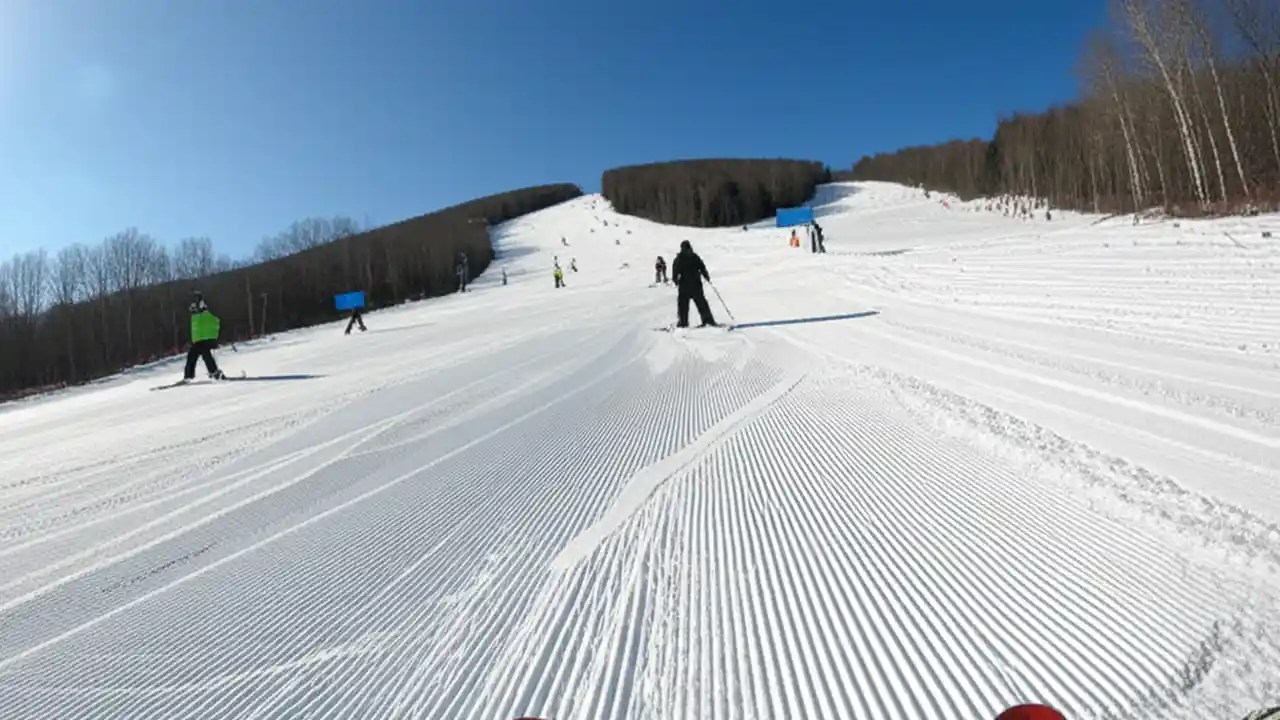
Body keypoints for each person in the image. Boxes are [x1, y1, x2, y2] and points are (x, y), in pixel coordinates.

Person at [671, 240, 717, 328]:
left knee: (684, 305)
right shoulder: (693, 256)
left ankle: (683, 322)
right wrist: (706, 276)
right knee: (700, 303)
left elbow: (675, 270)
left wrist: (675, 280)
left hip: (686, 285)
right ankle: (707, 320)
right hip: (694, 284)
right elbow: (702, 267)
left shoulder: (681, 258)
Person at [184, 291, 226, 381]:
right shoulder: (195, 316)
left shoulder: (206, 312)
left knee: (205, 353)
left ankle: (214, 372)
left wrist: (201, 304)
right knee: (192, 356)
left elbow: (214, 319)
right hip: (199, 339)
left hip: (207, 338)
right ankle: (188, 376)